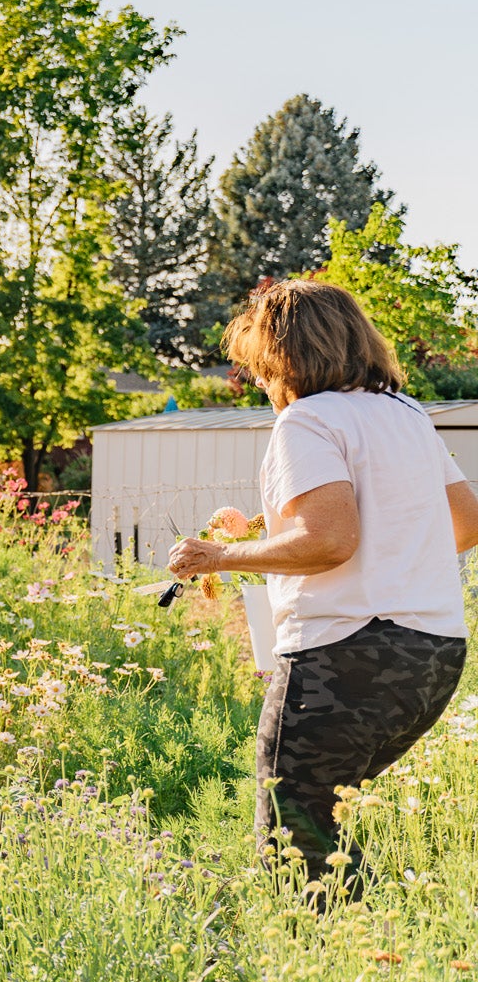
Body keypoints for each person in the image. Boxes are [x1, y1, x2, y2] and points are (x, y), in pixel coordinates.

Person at [169, 280, 478, 878]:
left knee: (292, 827)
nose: (258, 382)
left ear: (284, 356)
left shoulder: (306, 420)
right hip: (434, 652)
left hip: (346, 652)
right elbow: (466, 524)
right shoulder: (406, 413)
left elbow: (331, 541)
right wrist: (394, 555)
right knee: (322, 818)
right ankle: (372, 947)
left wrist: (219, 557)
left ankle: (329, 960)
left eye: (259, 366)